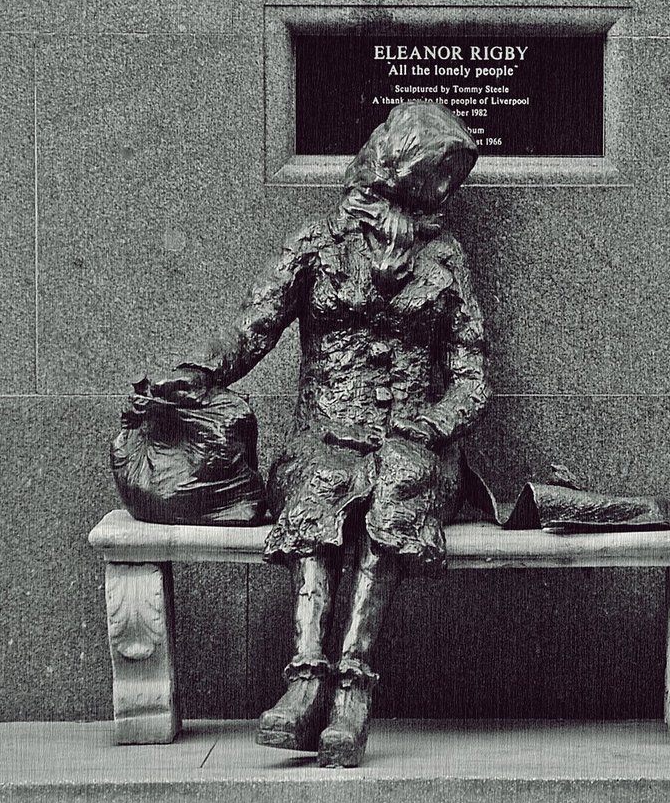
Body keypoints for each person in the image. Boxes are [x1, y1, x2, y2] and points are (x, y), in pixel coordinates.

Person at [149, 101, 490, 767]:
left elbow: (473, 377)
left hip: (413, 444)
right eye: (436, 172)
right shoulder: (316, 243)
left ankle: (353, 687)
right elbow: (252, 331)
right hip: (324, 436)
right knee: (320, 485)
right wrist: (190, 376)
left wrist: (432, 423)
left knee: (393, 487)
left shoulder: (445, 256)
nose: (445, 190)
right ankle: (305, 679)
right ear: (395, 163)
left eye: (453, 177)